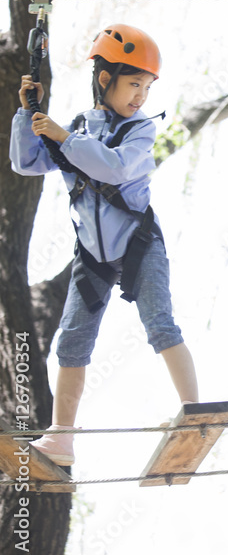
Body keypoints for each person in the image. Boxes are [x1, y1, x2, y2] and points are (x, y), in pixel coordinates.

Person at [11, 24, 198, 465]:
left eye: (147, 88)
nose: (141, 97)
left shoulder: (139, 132)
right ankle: (61, 439)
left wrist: (63, 138)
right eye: (134, 84)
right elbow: (26, 163)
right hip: (92, 254)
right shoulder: (75, 128)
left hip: (137, 242)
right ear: (104, 79)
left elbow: (114, 169)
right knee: (71, 340)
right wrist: (28, 116)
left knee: (160, 323)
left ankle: (195, 412)